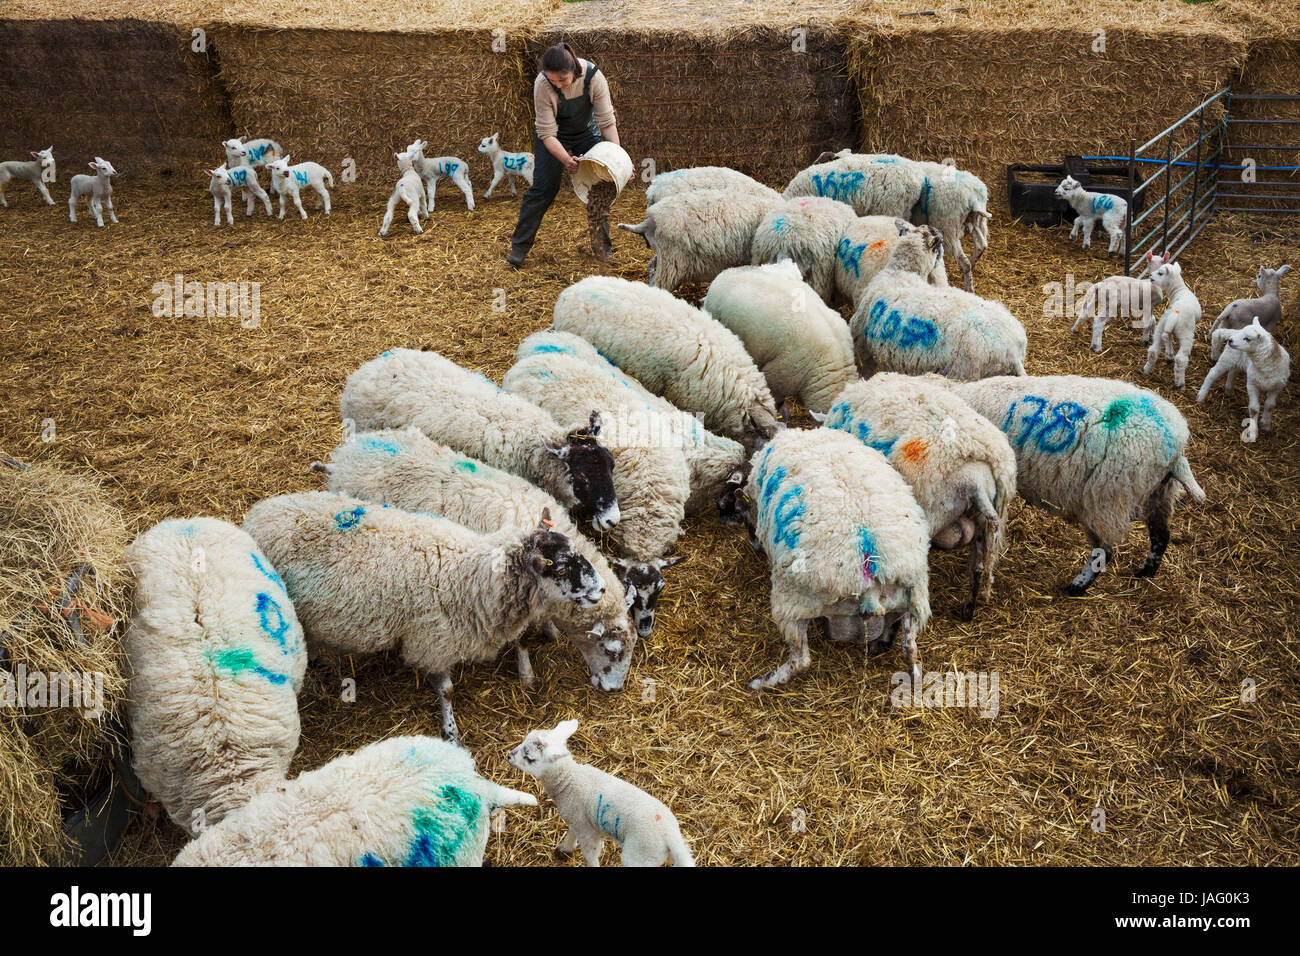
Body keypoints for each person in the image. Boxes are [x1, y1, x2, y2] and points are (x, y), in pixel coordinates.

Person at [508, 42, 621, 268]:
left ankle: (602, 248)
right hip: (553, 136)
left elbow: (607, 123)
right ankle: (519, 248)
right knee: (543, 189)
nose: (557, 84)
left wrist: (616, 158)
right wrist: (567, 160)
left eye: (562, 80)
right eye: (552, 80)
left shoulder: (593, 77)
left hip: (585, 131)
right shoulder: (542, 84)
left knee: (598, 186)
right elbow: (548, 134)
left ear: (574, 72)